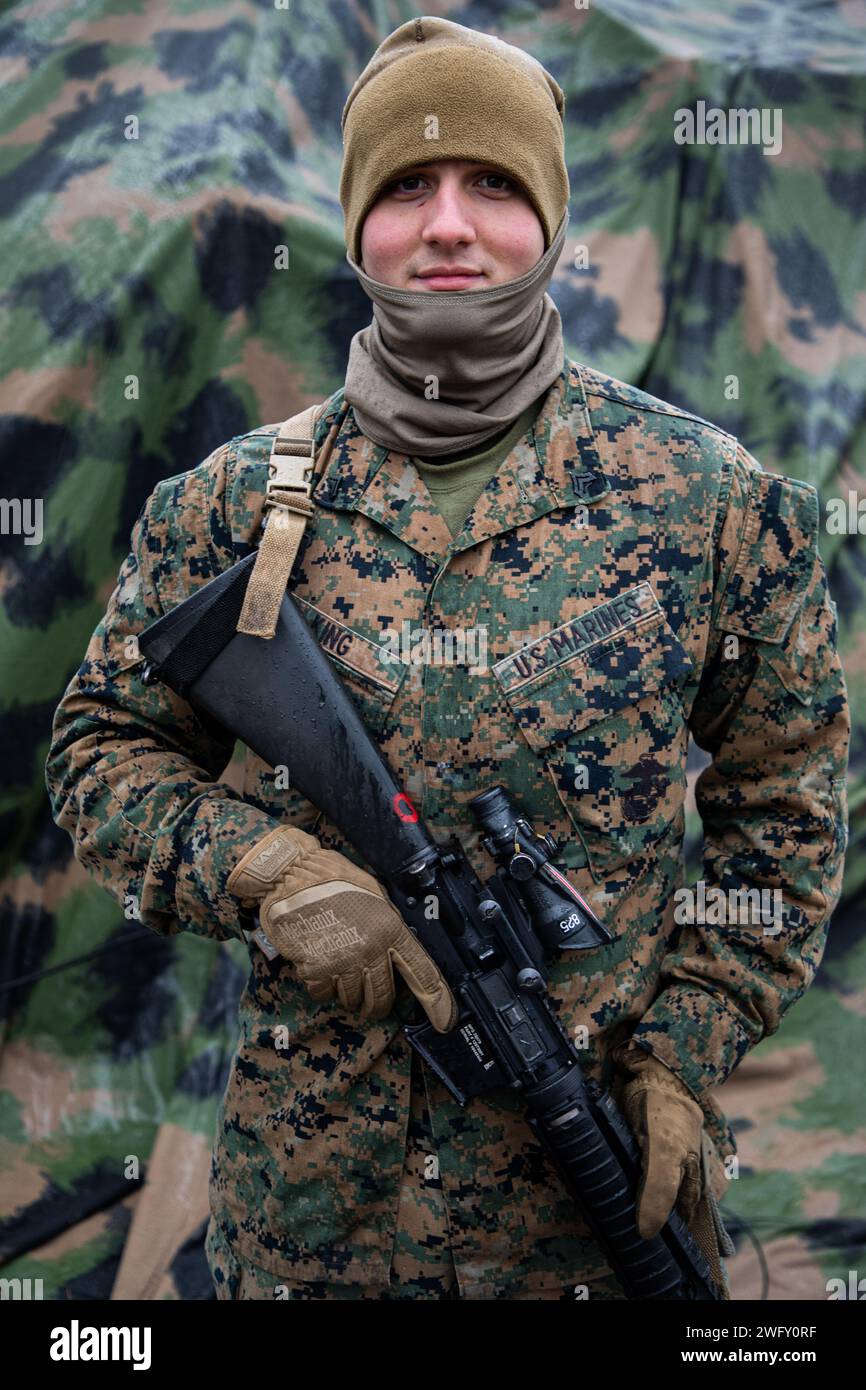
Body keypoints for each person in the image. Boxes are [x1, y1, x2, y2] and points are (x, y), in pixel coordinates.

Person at [45, 15, 850, 1301]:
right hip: (308, 1226)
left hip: (571, 1237)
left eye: (492, 186)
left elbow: (789, 807)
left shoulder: (706, 501)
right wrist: (261, 866)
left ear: (550, 218)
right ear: (357, 223)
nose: (448, 226)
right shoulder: (230, 504)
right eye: (406, 188)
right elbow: (96, 751)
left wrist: (681, 1052)